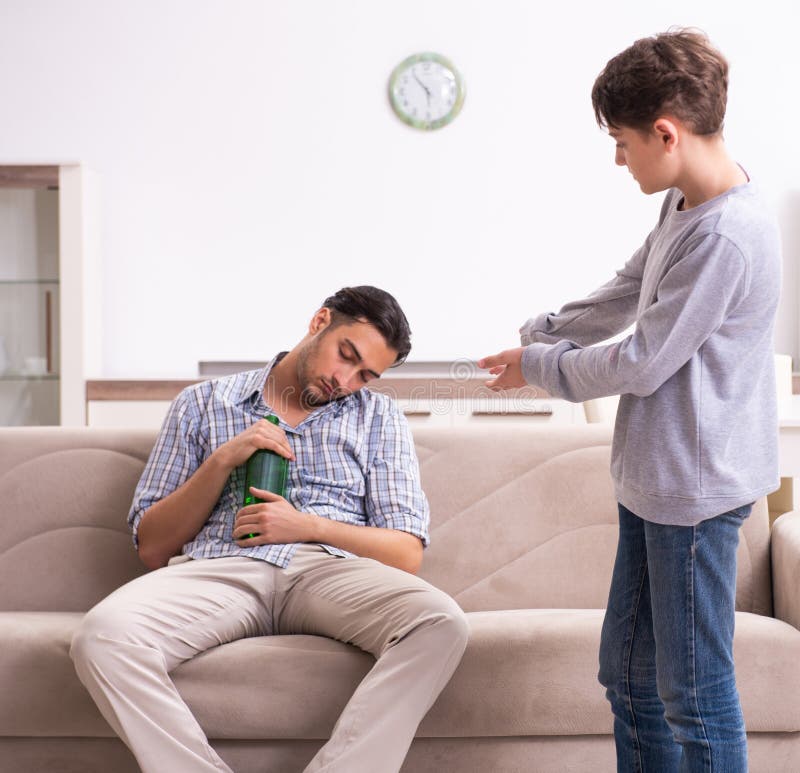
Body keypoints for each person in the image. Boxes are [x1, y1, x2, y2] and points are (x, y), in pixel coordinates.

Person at [478, 29, 781, 772]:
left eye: (622, 142)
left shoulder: (729, 238)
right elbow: (627, 291)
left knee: (694, 695)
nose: (619, 158)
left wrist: (540, 366)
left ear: (666, 133)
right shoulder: (686, 204)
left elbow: (643, 361)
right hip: (654, 487)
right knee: (629, 677)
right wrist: (540, 332)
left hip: (693, 496)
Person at [70, 285, 469, 773]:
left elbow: (406, 553)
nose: (346, 380)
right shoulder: (202, 403)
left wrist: (307, 526)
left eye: (366, 375)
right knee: (102, 636)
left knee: (440, 622)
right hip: (222, 566)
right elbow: (152, 547)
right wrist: (222, 461)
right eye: (346, 356)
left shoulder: (379, 417)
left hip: (328, 571)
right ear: (320, 321)